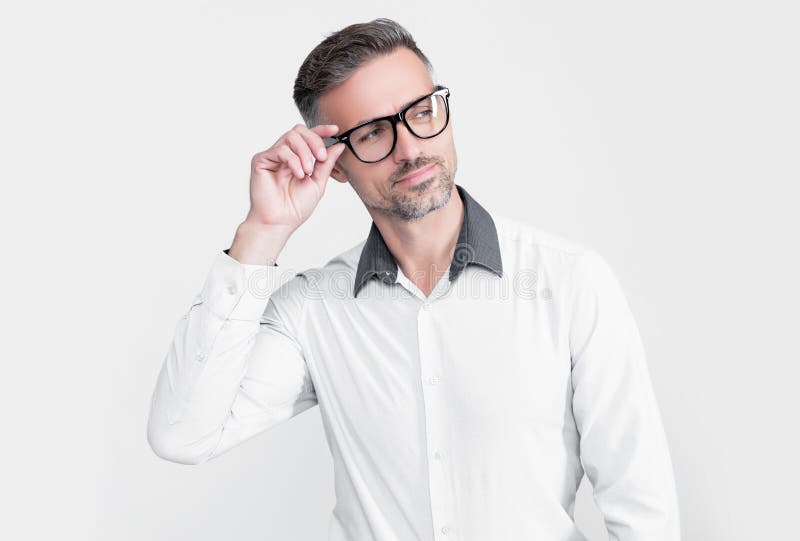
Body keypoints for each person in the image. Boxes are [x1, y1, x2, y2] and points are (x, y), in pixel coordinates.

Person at [147, 17, 681, 541]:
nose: (410, 148)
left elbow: (643, 513)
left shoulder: (569, 281)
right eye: (375, 131)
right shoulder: (315, 308)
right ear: (333, 165)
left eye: (422, 112)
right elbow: (182, 434)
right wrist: (262, 231)